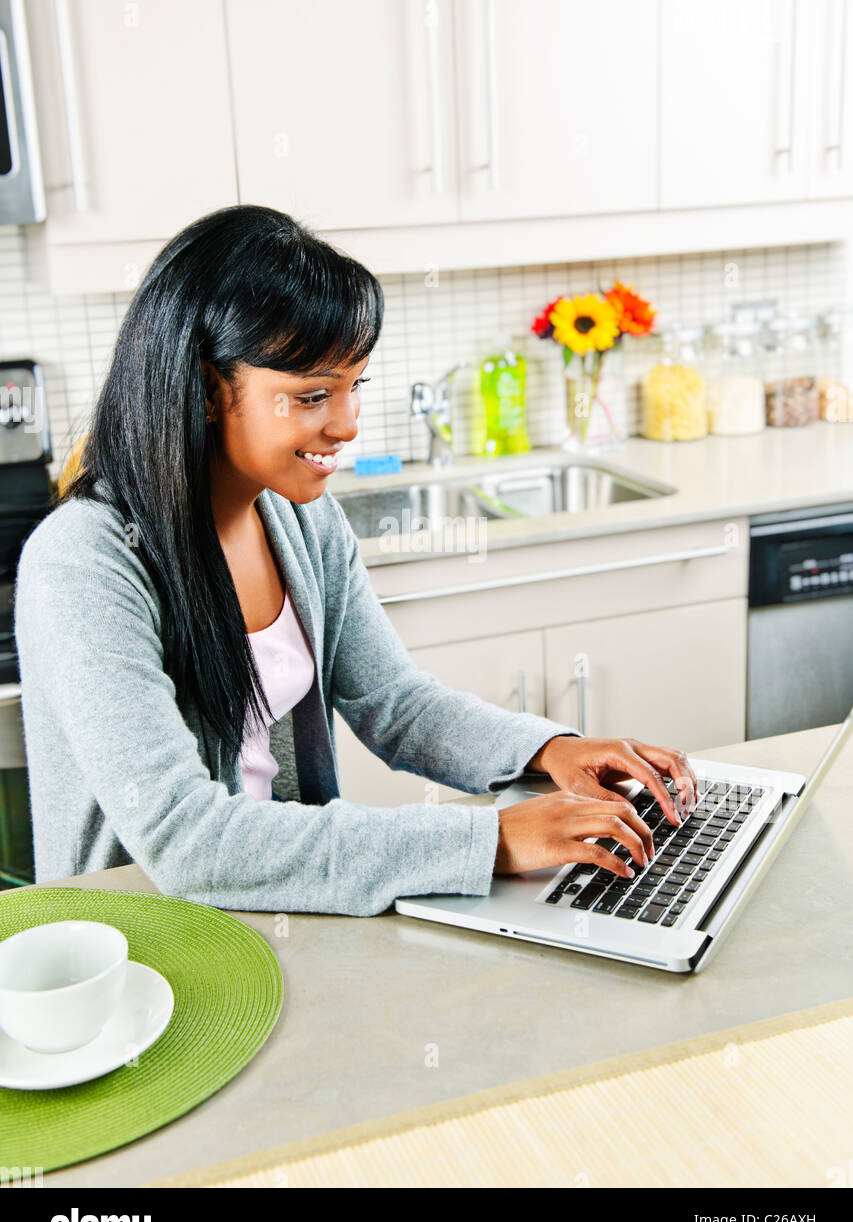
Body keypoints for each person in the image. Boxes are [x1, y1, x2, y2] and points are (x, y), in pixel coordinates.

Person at [14, 205, 696, 915]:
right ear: (212, 390)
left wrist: (549, 749)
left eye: (354, 385)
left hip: (283, 902)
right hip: (142, 948)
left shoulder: (299, 518)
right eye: (312, 396)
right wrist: (486, 839)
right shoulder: (83, 564)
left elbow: (393, 703)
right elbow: (188, 842)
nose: (346, 425)